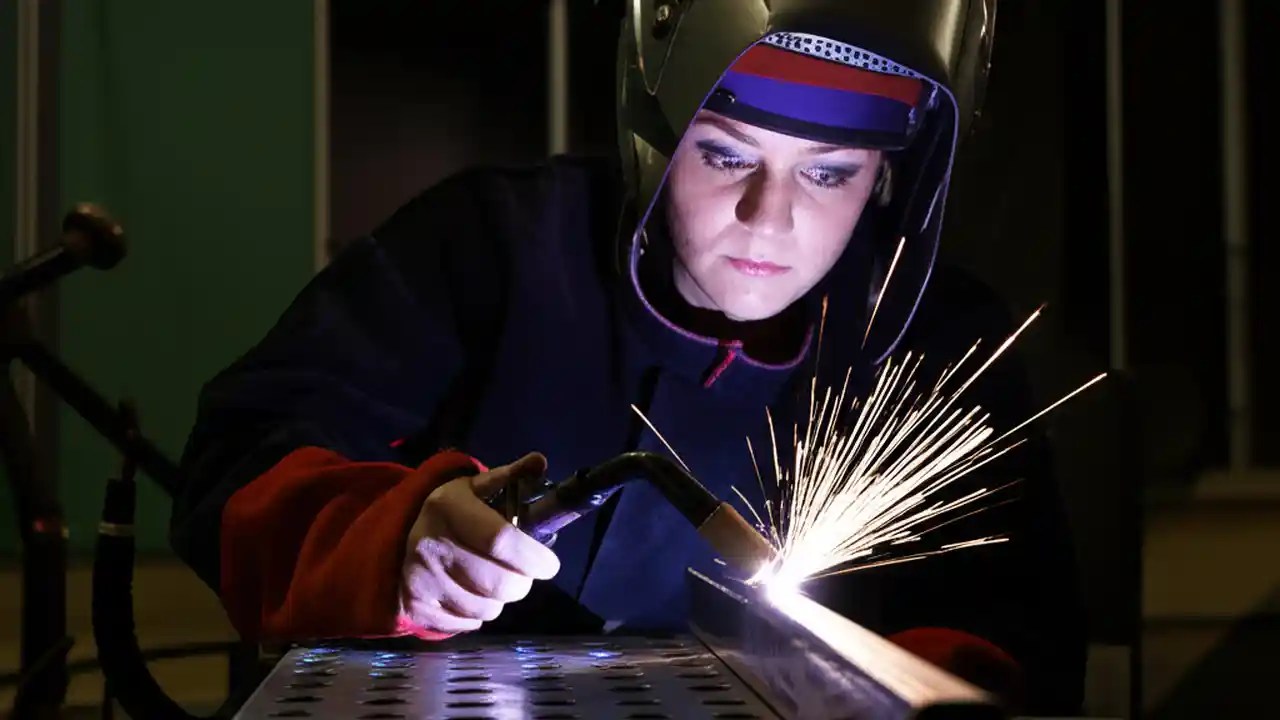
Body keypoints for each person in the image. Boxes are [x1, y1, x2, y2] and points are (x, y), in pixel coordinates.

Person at [171, 1, 1085, 714]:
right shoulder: (495, 249)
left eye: (828, 171)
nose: (768, 222)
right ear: (656, 130)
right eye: (727, 157)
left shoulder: (937, 338)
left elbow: (1016, 630)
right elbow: (236, 459)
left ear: (889, 176)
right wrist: (392, 541)